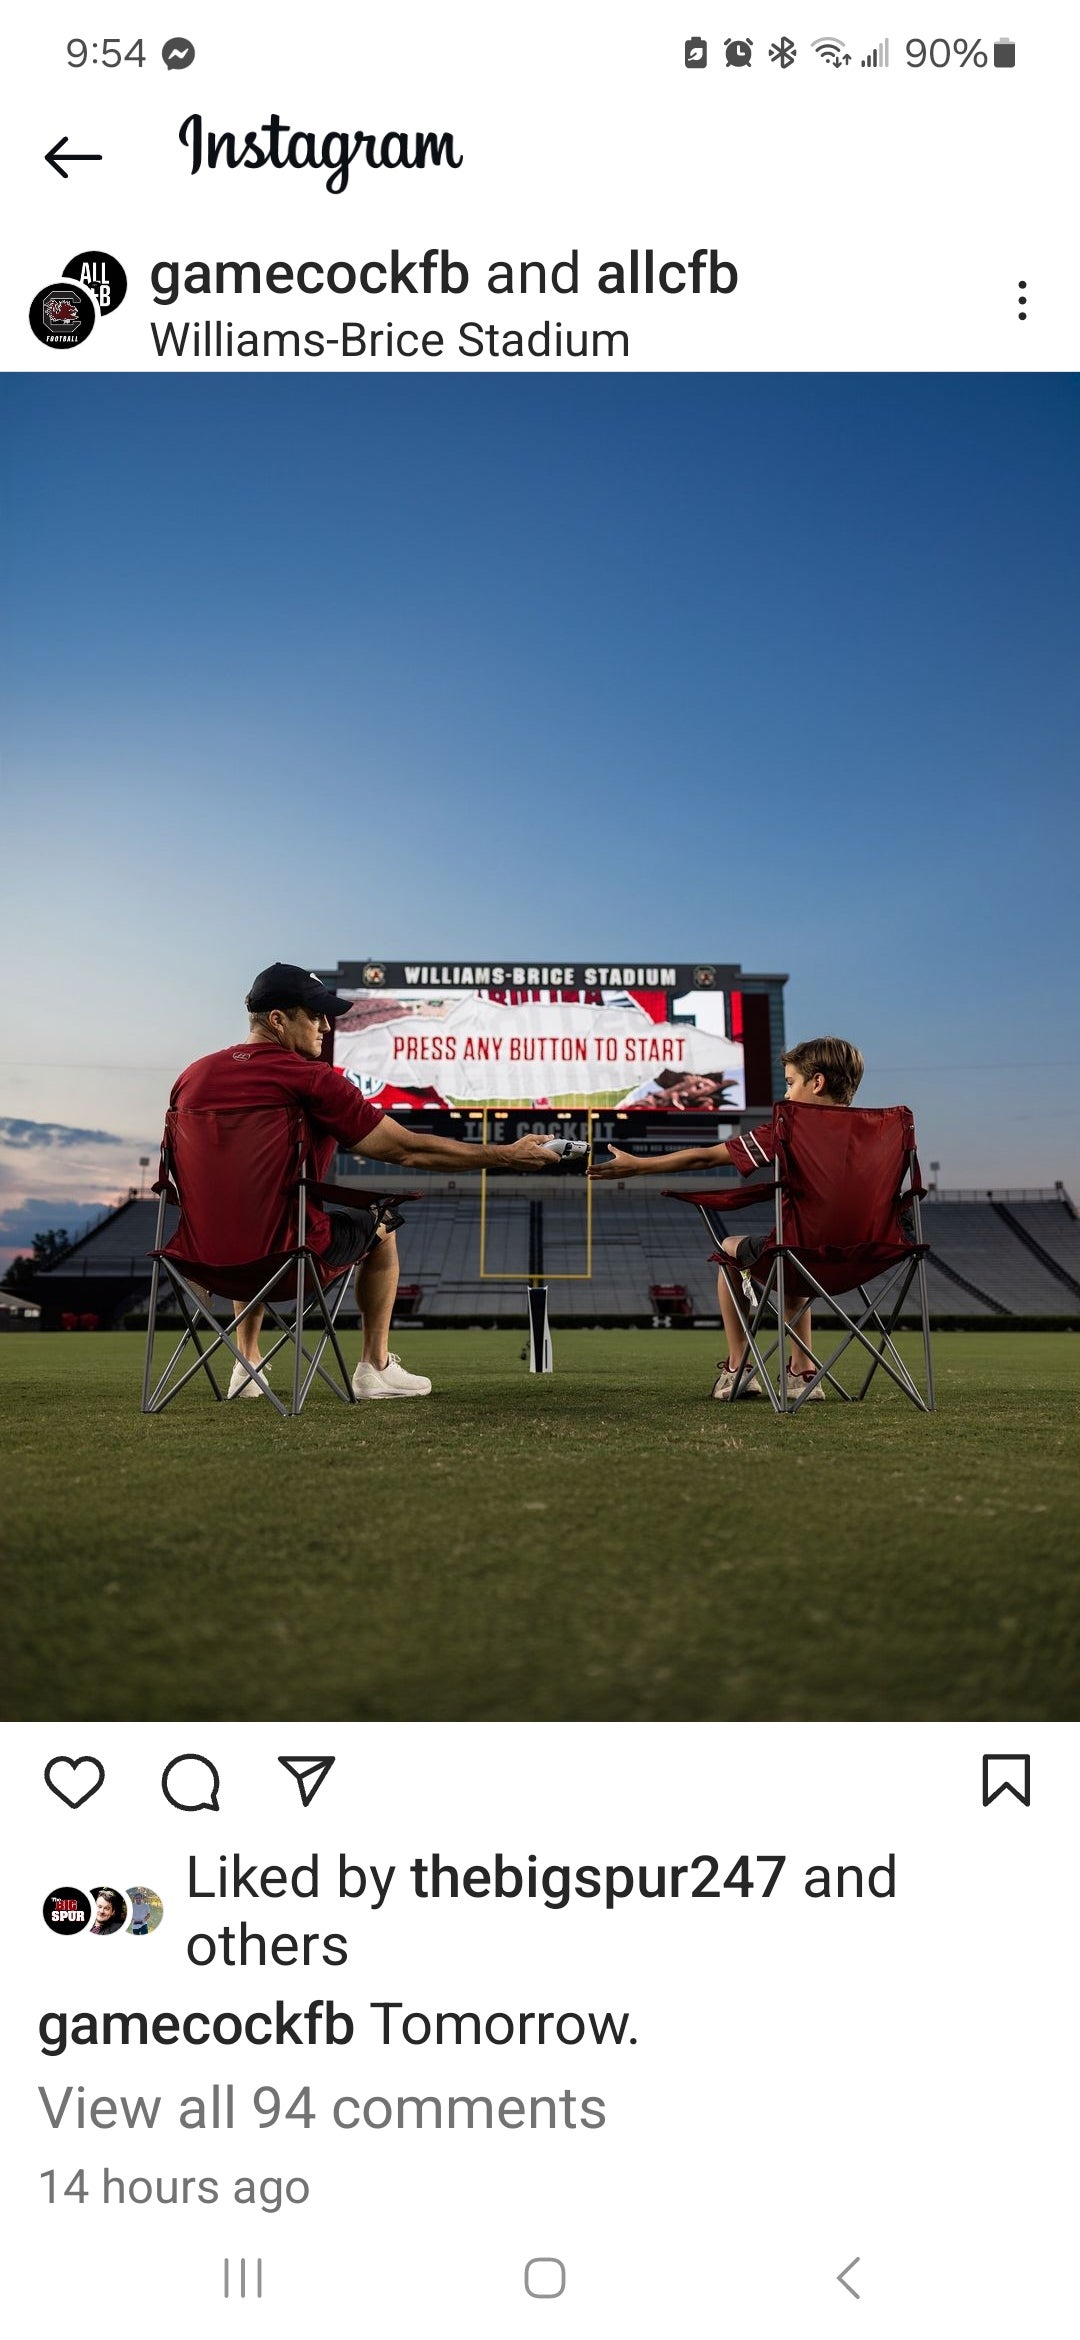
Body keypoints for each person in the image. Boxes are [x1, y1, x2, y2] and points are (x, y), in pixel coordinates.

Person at [169, 964, 557, 1400]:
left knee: (250, 1216)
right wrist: (506, 1154)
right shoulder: (311, 1078)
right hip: (289, 1258)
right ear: (277, 1020)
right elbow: (406, 1149)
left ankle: (246, 1363)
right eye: (314, 1015)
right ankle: (375, 1366)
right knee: (382, 1223)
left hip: (201, 1260)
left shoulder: (192, 1077)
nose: (325, 1026)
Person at [589, 1037, 865, 1401]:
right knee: (794, 1254)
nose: (786, 1093)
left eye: (790, 1082)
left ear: (817, 1082)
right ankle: (802, 1372)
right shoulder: (880, 1129)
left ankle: (739, 1367)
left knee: (735, 1249)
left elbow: (705, 1158)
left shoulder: (789, 1128)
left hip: (802, 1256)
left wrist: (639, 1166)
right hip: (866, 1258)